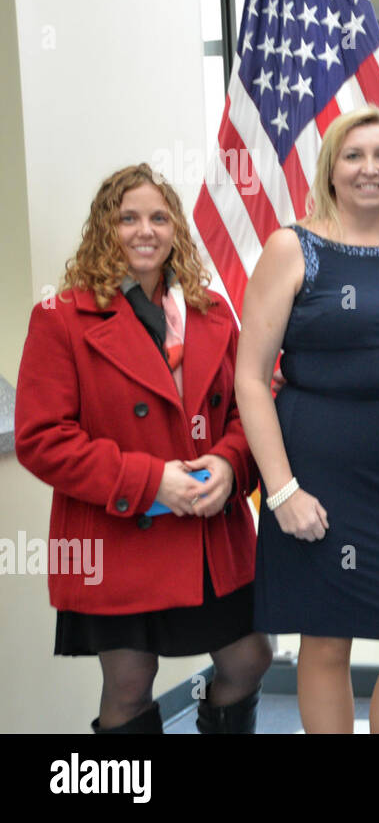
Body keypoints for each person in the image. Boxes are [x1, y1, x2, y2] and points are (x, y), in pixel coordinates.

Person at [15, 163, 269, 734]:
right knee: (129, 686)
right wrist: (150, 481)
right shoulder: (61, 318)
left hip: (208, 533)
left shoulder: (212, 314)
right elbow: (41, 438)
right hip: (117, 535)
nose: (144, 230)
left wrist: (231, 464)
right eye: (128, 218)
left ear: (176, 228)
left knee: (249, 658)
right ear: (105, 230)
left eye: (158, 217)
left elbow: (245, 413)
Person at [236, 105, 379, 733]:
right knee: (326, 642)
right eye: (354, 156)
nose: (369, 169)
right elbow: (250, 376)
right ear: (331, 169)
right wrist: (282, 492)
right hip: (315, 478)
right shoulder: (292, 247)